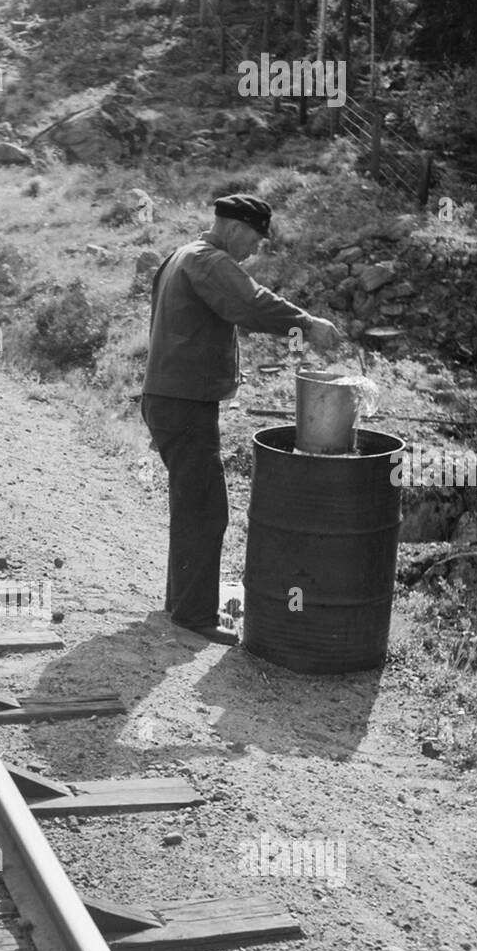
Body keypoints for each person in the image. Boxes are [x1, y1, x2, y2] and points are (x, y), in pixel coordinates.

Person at [142, 193, 343, 641]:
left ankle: (181, 603)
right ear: (234, 228)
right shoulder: (209, 260)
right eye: (253, 240)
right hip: (184, 402)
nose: (253, 250)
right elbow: (251, 305)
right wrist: (307, 324)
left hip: (170, 397)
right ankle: (194, 616)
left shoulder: (181, 255)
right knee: (205, 510)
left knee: (192, 503)